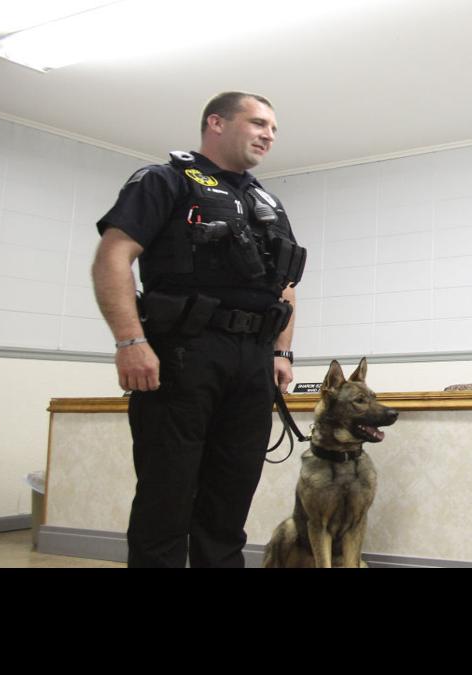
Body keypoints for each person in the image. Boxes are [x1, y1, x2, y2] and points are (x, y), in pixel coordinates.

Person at [92, 91, 306, 567]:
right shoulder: (162, 181)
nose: (269, 134)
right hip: (183, 354)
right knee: (166, 497)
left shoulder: (265, 201)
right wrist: (131, 341)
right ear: (216, 122)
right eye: (258, 123)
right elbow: (113, 257)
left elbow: (285, 285)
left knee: (229, 499)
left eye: (273, 127)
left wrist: (281, 353)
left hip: (251, 362)